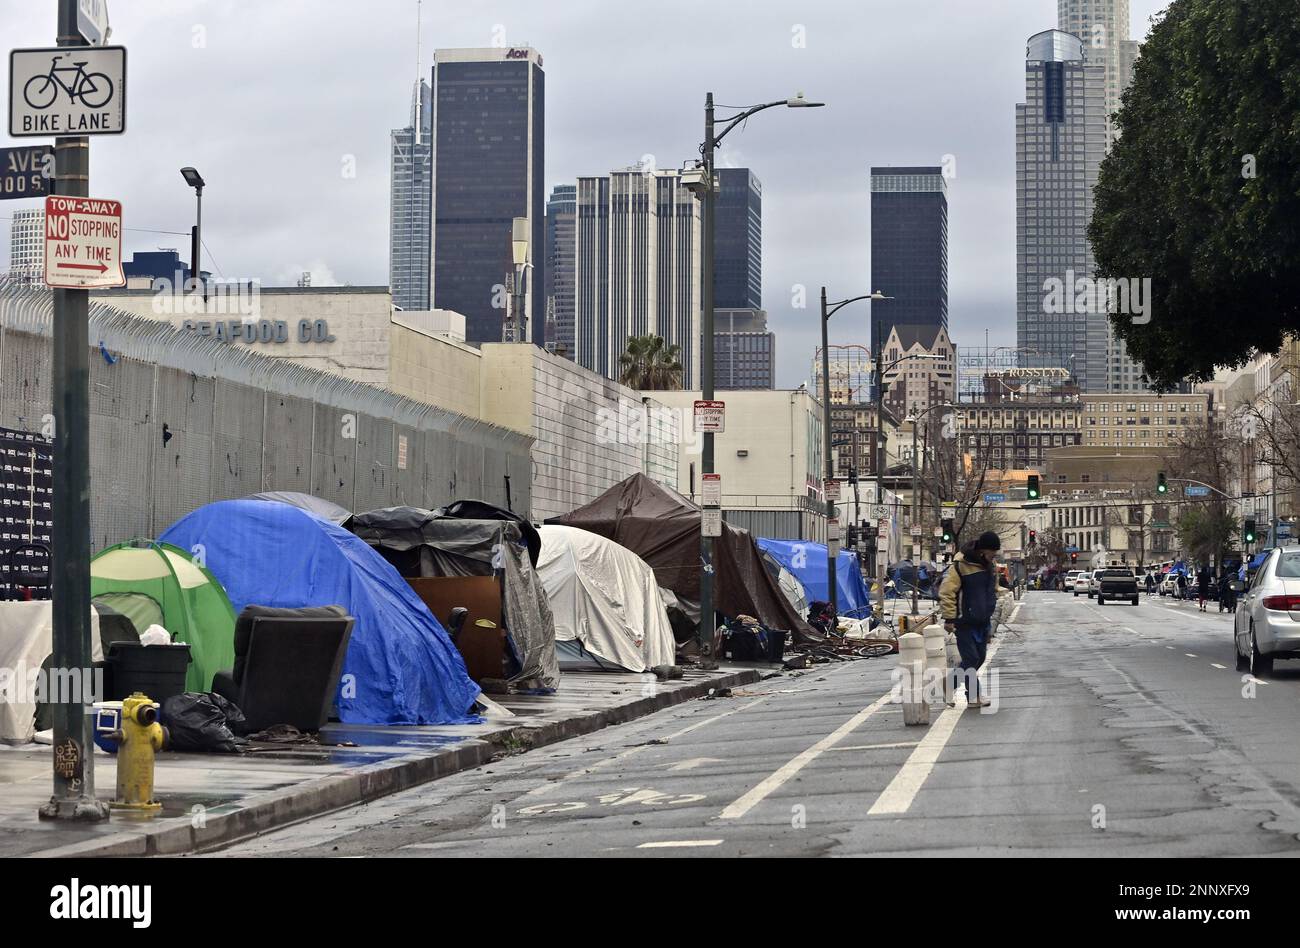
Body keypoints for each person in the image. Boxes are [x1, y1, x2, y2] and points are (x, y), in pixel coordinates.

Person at [939, 531, 1004, 710]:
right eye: (991, 553)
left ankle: (950, 685)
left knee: (979, 658)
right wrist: (950, 617)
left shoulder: (989, 566)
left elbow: (993, 589)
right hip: (964, 620)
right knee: (971, 658)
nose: (993, 557)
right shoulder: (961, 565)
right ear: (982, 551)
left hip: (983, 620)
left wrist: (995, 601)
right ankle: (973, 696)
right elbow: (947, 592)